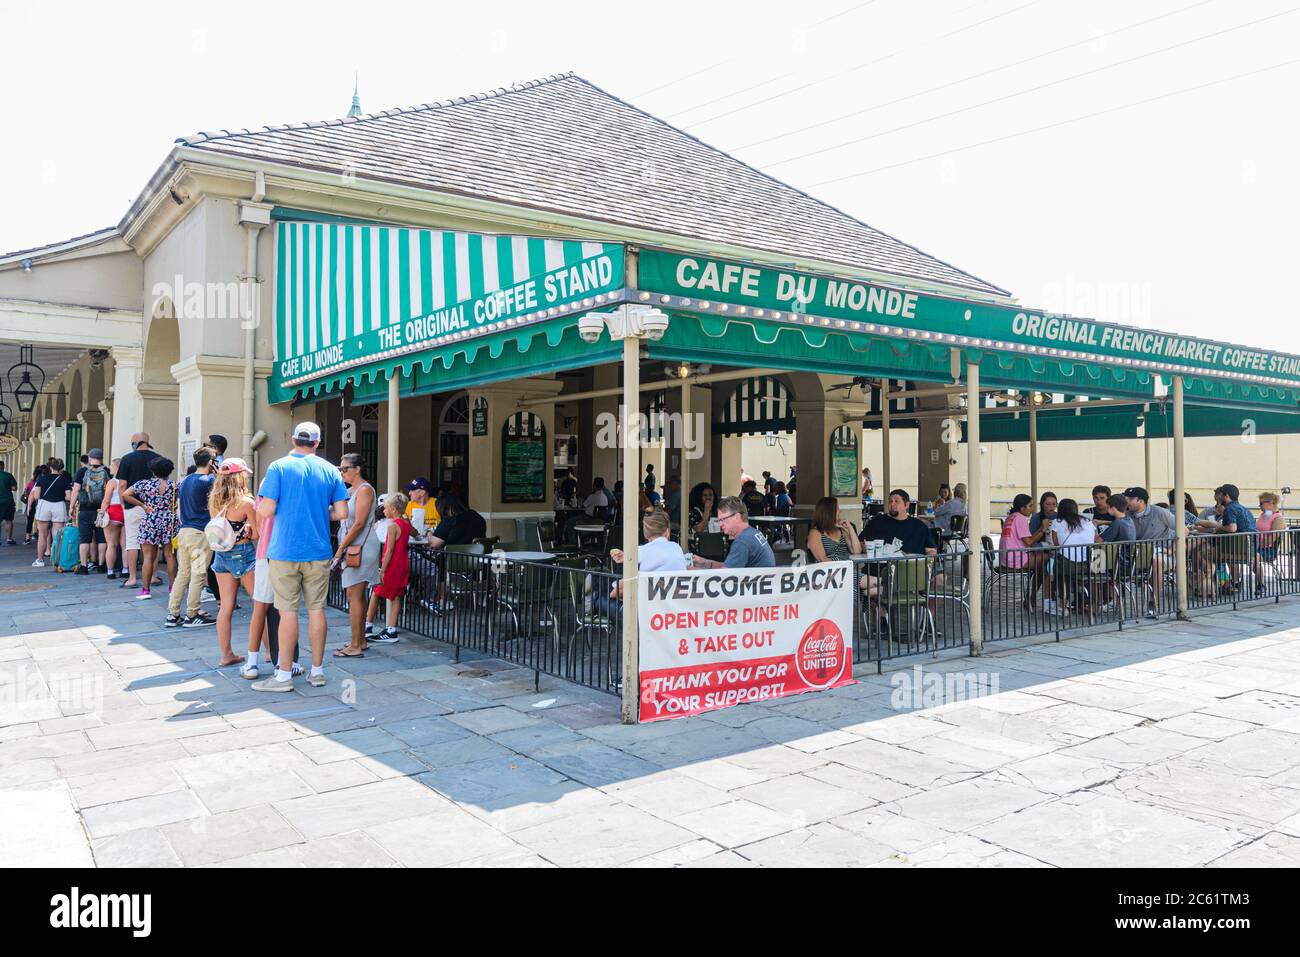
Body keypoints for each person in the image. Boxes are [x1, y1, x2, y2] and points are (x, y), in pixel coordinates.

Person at [252, 422, 349, 693]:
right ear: (317, 443)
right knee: (317, 610)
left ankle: (283, 675)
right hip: (318, 550)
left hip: (284, 550)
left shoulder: (278, 467)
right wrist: (321, 512)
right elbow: (342, 513)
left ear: (294, 439)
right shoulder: (331, 470)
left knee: (287, 612)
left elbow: (267, 510)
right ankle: (317, 671)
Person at [206, 458, 258, 667]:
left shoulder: (214, 501)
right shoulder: (246, 503)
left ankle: (226, 654)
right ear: (240, 477)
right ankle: (269, 653)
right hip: (243, 553)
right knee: (260, 604)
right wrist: (247, 530)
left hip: (222, 555)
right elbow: (256, 534)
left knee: (225, 607)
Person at [333, 453, 379, 658]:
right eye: (340, 469)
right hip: (354, 546)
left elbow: (359, 523)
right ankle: (360, 640)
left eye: (345, 469)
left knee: (355, 594)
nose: (342, 472)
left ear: (357, 469)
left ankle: (356, 644)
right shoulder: (350, 491)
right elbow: (337, 514)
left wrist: (341, 547)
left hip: (360, 547)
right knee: (354, 594)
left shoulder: (365, 490)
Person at [166, 446, 217, 628]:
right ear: (211, 462)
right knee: (198, 574)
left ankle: (173, 614)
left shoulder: (185, 481)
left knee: (183, 574)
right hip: (199, 534)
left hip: (184, 532)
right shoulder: (208, 480)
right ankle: (192, 613)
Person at [604, 510, 688, 610]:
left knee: (599, 591)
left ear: (646, 534)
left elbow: (618, 592)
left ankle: (590, 601)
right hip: (671, 609)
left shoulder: (640, 551)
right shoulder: (677, 548)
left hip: (642, 614)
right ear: (667, 531)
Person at [121, 457, 178, 600]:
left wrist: (143, 505)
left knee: (148, 556)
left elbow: (125, 494)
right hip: (169, 520)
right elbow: (178, 500)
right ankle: (173, 588)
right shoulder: (174, 485)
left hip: (150, 519)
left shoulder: (144, 484)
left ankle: (146, 590)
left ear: (153, 470)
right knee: (170, 555)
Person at [114, 432, 161, 589]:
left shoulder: (127, 459)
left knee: (132, 542)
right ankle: (153, 577)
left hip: (132, 505)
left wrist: (122, 503)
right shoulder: (157, 458)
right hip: (153, 507)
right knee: (153, 542)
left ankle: (132, 578)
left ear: (135, 443)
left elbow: (122, 485)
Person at [366, 493, 412, 643]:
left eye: (385, 508)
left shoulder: (393, 526)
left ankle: (367, 625)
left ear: (392, 509)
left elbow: (389, 550)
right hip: (402, 563)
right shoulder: (406, 523)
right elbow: (414, 533)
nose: (383, 511)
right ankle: (391, 629)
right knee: (396, 596)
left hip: (392, 565)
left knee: (376, 592)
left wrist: (382, 569)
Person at [1124, 486, 1176, 614]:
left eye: (1130, 499)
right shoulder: (1127, 514)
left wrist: (1170, 550)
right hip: (1136, 555)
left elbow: (1184, 531)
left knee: (1156, 560)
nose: (1126, 501)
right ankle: (1111, 601)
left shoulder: (1160, 512)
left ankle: (1154, 600)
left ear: (1141, 501)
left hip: (1161, 554)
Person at [689, 496, 774, 569]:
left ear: (737, 517)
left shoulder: (742, 541)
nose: (721, 524)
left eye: (723, 520)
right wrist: (704, 562)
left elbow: (725, 576)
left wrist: (689, 571)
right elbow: (729, 567)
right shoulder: (751, 533)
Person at [1048, 498, 1096, 613]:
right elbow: (1094, 539)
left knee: (1060, 575)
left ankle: (1063, 605)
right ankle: (1089, 603)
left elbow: (1056, 544)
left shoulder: (1056, 522)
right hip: (1086, 565)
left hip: (1066, 564)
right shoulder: (1088, 522)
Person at [68, 448, 111, 574]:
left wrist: (71, 507)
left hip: (85, 509)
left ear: (90, 458)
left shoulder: (82, 471)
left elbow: (75, 490)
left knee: (84, 539)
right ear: (101, 458)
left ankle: (83, 566)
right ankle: (102, 565)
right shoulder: (106, 471)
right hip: (101, 510)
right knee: (101, 539)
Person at [860, 489, 933, 556]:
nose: (892, 504)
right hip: (880, 567)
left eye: (896, 501)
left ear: (906, 505)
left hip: (912, 567)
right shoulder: (877, 522)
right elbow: (861, 543)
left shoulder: (919, 526)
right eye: (890, 501)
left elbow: (931, 550)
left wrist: (928, 564)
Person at [29, 458, 72, 567]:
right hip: (59, 506)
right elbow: (68, 497)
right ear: (62, 468)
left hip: (44, 505)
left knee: (42, 535)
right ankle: (57, 560)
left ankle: (40, 560)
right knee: (57, 535)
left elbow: (36, 496)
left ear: (51, 467)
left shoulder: (42, 479)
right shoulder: (65, 480)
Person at [806, 496, 863, 564]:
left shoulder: (841, 530)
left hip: (849, 569)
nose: (840, 511)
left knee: (874, 575)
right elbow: (822, 560)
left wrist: (850, 527)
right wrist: (843, 564)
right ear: (829, 512)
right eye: (837, 509)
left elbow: (857, 551)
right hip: (830, 571)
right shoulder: (815, 533)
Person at [100, 458, 125, 579]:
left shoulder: (112, 482)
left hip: (113, 512)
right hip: (125, 512)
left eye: (111, 465)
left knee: (111, 544)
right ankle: (125, 570)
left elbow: (106, 500)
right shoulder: (127, 481)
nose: (109, 467)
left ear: (116, 467)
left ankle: (110, 572)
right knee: (125, 545)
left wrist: (101, 513)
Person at [999, 494, 1035, 570]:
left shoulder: (1011, 517)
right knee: (1047, 556)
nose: (1033, 509)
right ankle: (1039, 581)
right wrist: (1042, 529)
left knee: (1037, 556)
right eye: (1030, 506)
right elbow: (1028, 542)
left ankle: (1035, 580)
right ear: (1022, 508)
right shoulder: (1020, 518)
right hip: (1016, 561)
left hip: (1005, 560)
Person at [22, 465, 47, 546]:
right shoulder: (44, 480)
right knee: (42, 520)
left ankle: (27, 537)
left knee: (30, 520)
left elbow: (28, 491)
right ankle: (39, 535)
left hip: (32, 503)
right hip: (42, 503)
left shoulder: (31, 482)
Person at [0, 459, 17, 545]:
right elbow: (14, 488)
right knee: (9, 520)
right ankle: (9, 539)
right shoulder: (8, 475)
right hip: (8, 501)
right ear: (3, 466)